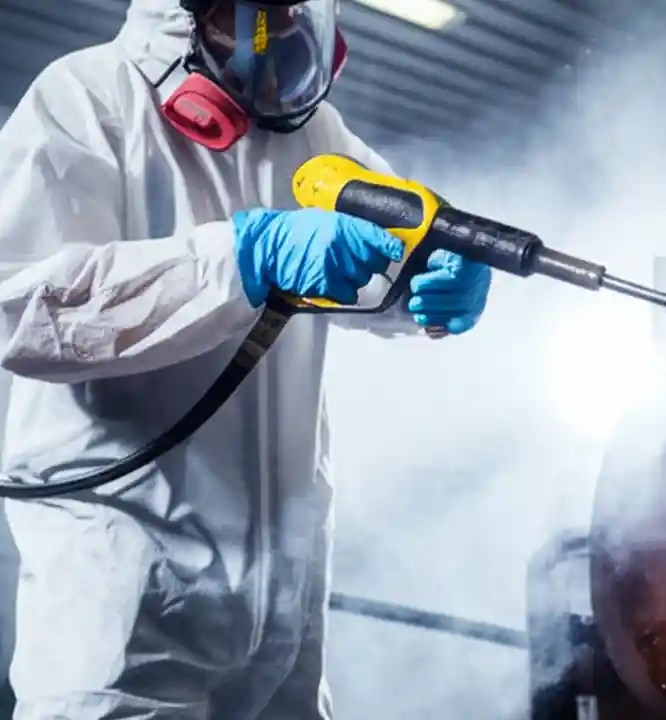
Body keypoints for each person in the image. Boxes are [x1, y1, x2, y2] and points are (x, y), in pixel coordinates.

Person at [0, 0, 493, 717]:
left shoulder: (315, 136)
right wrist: (240, 258)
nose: (287, 31)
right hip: (123, 630)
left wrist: (430, 276)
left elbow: (392, 246)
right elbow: (22, 308)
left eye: (301, 10)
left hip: (283, 639)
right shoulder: (85, 102)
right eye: (263, 11)